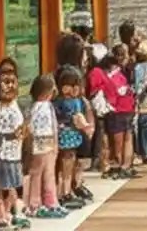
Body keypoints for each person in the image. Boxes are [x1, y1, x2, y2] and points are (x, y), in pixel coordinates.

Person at [0, 71, 29, 229]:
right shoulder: (7, 108)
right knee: (12, 186)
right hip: (7, 153)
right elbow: (13, 131)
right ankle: (13, 214)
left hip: (4, 152)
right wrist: (22, 131)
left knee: (2, 186)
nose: (10, 86)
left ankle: (3, 214)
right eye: (6, 83)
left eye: (12, 83)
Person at [26, 74, 67, 219]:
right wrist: (55, 144)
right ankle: (42, 203)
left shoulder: (37, 107)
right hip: (45, 141)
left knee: (41, 173)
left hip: (42, 141)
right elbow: (50, 127)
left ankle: (42, 203)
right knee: (43, 172)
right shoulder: (43, 107)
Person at [53, 67, 91, 210]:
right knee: (64, 167)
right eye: (67, 84)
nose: (71, 88)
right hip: (65, 137)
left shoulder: (78, 101)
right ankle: (64, 193)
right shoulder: (60, 102)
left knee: (70, 167)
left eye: (75, 85)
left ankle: (67, 191)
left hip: (74, 137)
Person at [104, 44, 137, 179]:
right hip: (127, 107)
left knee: (119, 139)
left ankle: (120, 165)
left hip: (118, 109)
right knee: (127, 138)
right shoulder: (127, 71)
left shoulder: (113, 75)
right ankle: (125, 165)